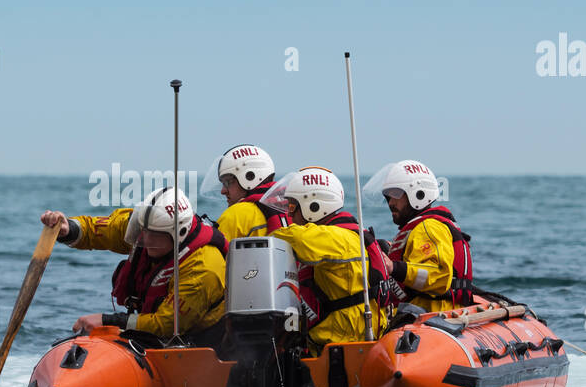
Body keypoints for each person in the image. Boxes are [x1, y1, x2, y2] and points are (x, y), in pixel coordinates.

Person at [39, 187, 227, 340]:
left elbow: (166, 324)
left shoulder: (202, 268)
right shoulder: (148, 225)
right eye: (142, 230)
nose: (143, 238)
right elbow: (105, 228)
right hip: (150, 331)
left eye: (152, 235)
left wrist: (108, 321)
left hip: (195, 339)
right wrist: (68, 229)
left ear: (179, 234)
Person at [261, 167, 386, 351]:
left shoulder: (335, 238)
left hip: (342, 346)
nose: (290, 215)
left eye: (293, 207)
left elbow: (297, 238)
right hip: (336, 342)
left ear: (314, 206)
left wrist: (257, 243)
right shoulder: (347, 234)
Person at [368, 160, 473, 313]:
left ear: (418, 194)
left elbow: (439, 276)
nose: (390, 202)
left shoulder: (427, 227)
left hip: (431, 316)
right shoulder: (423, 228)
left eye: (396, 194)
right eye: (388, 196)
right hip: (424, 313)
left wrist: (394, 267)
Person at [202, 144, 290, 241]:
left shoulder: (235, 216)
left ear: (249, 178)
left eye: (228, 182)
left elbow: (213, 255)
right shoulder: (295, 208)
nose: (223, 191)